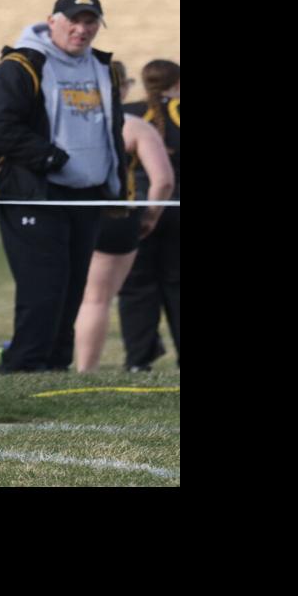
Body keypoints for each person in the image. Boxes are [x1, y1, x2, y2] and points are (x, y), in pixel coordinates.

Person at [0, 0, 128, 373]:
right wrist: (49, 157)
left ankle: (56, 365)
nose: (82, 29)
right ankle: (23, 366)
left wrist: (115, 184)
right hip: (36, 191)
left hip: (87, 194)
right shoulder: (22, 66)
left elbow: (112, 130)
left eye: (91, 22)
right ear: (52, 20)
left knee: (73, 286)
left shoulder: (102, 67)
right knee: (43, 285)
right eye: (74, 19)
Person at [72, 60, 173, 372]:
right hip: (121, 212)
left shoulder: (69, 121)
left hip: (76, 212)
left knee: (83, 295)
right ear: (123, 86)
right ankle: (87, 369)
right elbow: (163, 179)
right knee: (99, 298)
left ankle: (70, 366)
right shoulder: (133, 124)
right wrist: (151, 215)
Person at [118, 58, 180, 370]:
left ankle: (138, 360)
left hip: (136, 207)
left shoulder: (129, 114)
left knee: (136, 288)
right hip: (175, 207)